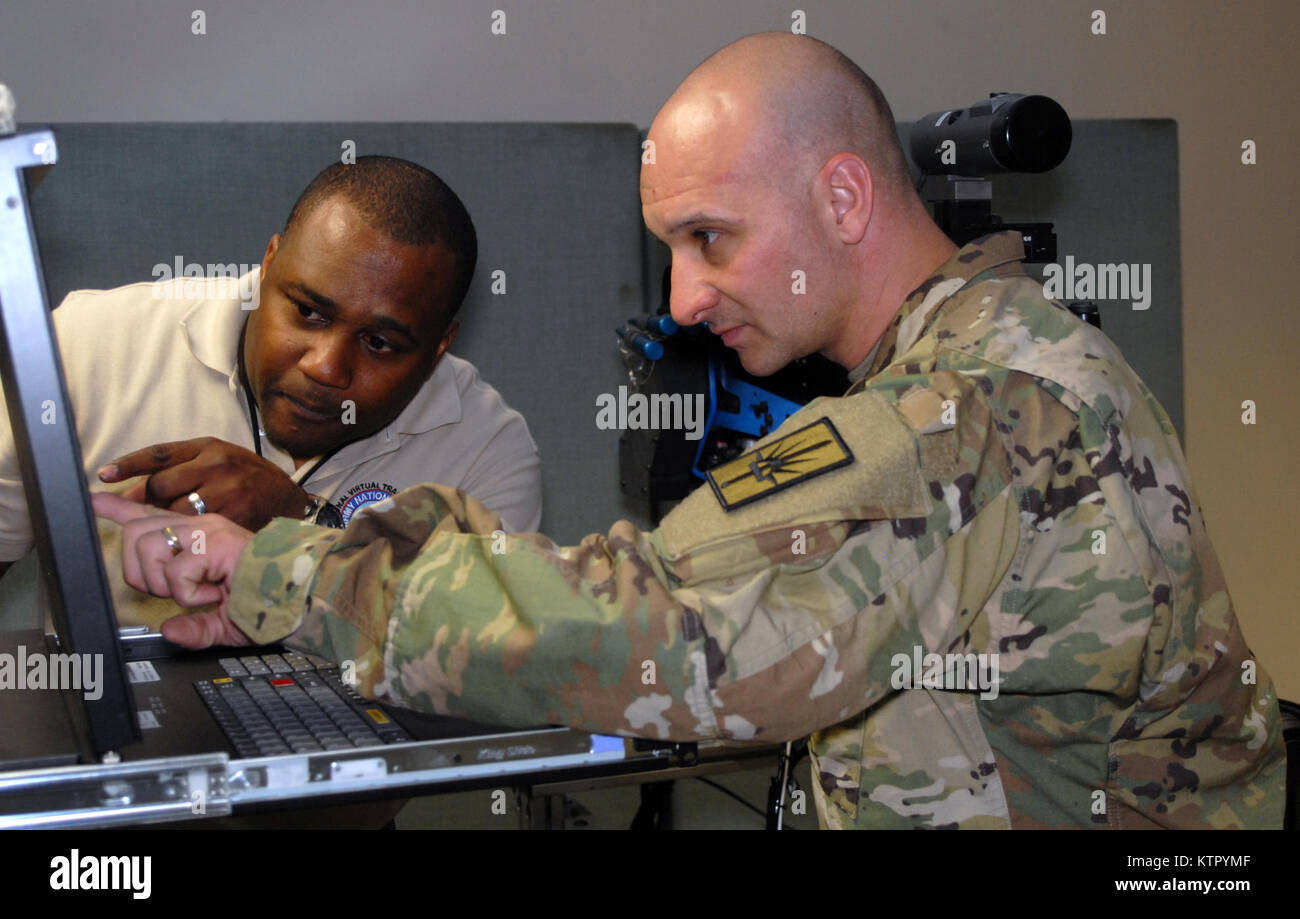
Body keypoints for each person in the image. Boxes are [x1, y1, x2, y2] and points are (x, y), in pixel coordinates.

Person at [96, 34, 1286, 829]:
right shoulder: (995, 356)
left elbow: (678, 634)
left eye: (709, 238)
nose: (681, 297)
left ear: (843, 197)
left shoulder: (962, 412)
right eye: (670, 248)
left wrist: (281, 574)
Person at [0, 155, 542, 631]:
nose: (325, 367)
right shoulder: (87, 347)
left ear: (440, 345)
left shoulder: (486, 447)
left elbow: (492, 659)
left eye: (379, 343)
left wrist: (301, 519)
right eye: (308, 311)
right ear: (268, 264)